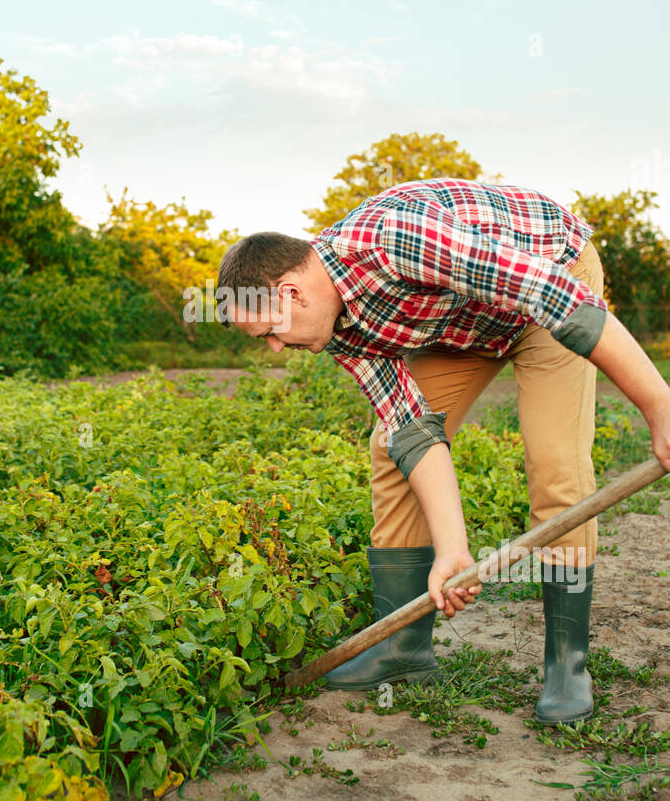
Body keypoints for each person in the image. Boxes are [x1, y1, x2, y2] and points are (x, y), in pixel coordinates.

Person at [218, 178, 670, 724]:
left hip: (551, 277)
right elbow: (410, 425)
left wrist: (658, 406)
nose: (274, 348)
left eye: (268, 330)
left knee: (555, 464)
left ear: (291, 292)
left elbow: (549, 294)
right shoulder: (335, 325)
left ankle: (566, 665)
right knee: (391, 448)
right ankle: (404, 646)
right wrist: (454, 551)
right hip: (468, 322)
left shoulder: (394, 239)